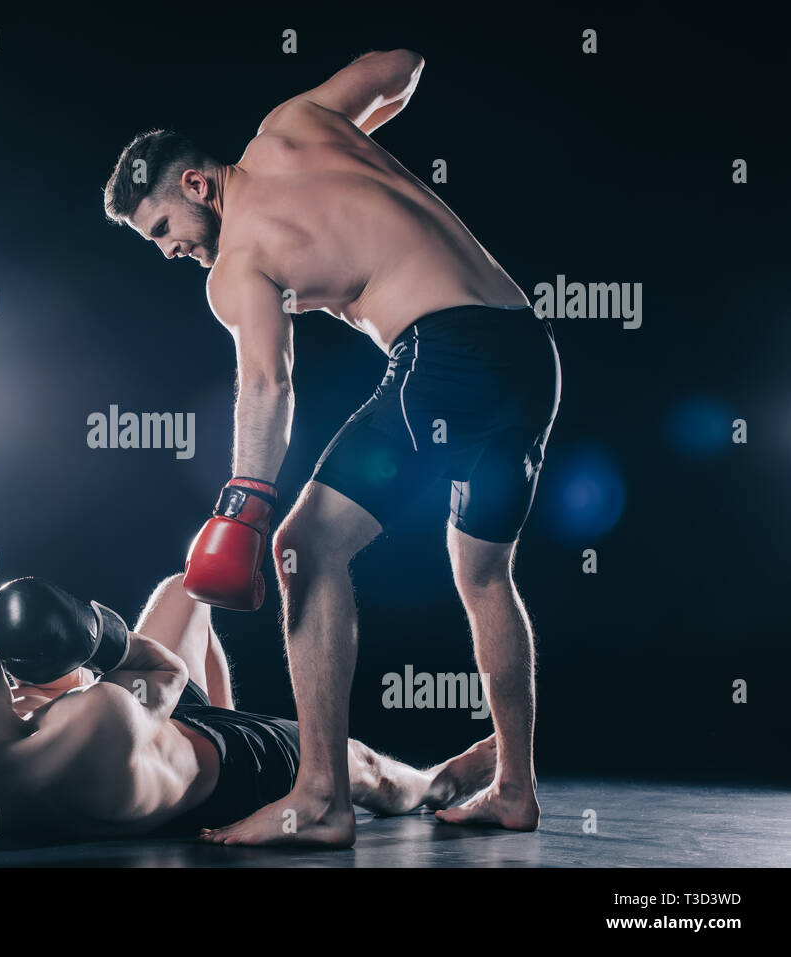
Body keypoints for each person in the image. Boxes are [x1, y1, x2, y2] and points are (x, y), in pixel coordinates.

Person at [102, 49, 560, 843]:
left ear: (198, 184)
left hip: (446, 356)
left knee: (301, 549)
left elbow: (270, 386)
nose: (170, 251)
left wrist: (243, 501)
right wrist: (359, 144)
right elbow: (400, 63)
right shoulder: (300, 124)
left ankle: (320, 797)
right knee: (484, 572)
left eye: (165, 228)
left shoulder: (237, 263)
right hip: (526, 346)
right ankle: (515, 787)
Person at [0, 574, 495, 841]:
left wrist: (23, 697)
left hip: (141, 759)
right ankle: (440, 785)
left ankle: (236, 715)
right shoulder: (91, 720)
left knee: (185, 592)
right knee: (363, 769)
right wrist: (90, 631)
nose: (3, 646)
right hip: (236, 767)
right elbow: (168, 670)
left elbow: (29, 763)